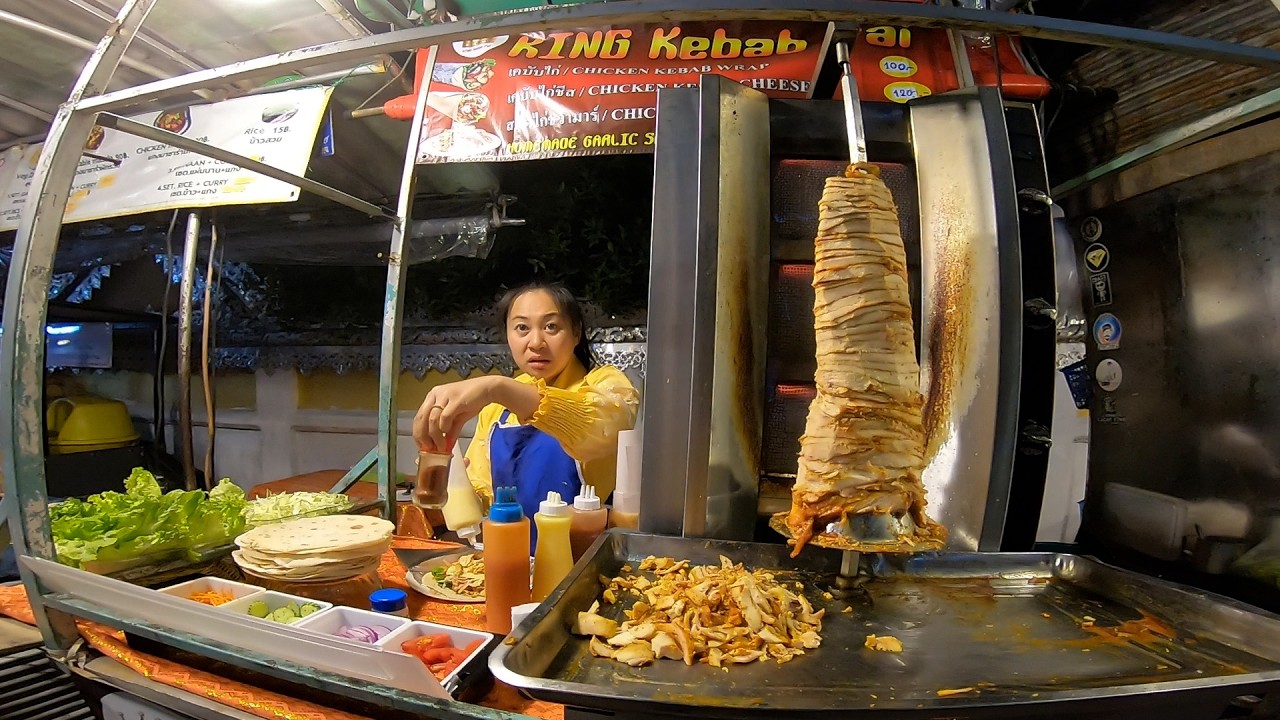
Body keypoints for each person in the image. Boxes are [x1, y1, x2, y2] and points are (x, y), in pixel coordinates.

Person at [413, 282, 639, 543]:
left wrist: (495, 387)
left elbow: (600, 427)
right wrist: (451, 483)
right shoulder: (497, 408)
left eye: (551, 327)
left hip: (580, 563)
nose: (536, 343)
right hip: (508, 556)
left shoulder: (607, 385)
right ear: (507, 334)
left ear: (576, 332)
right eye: (522, 327)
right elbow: (482, 498)